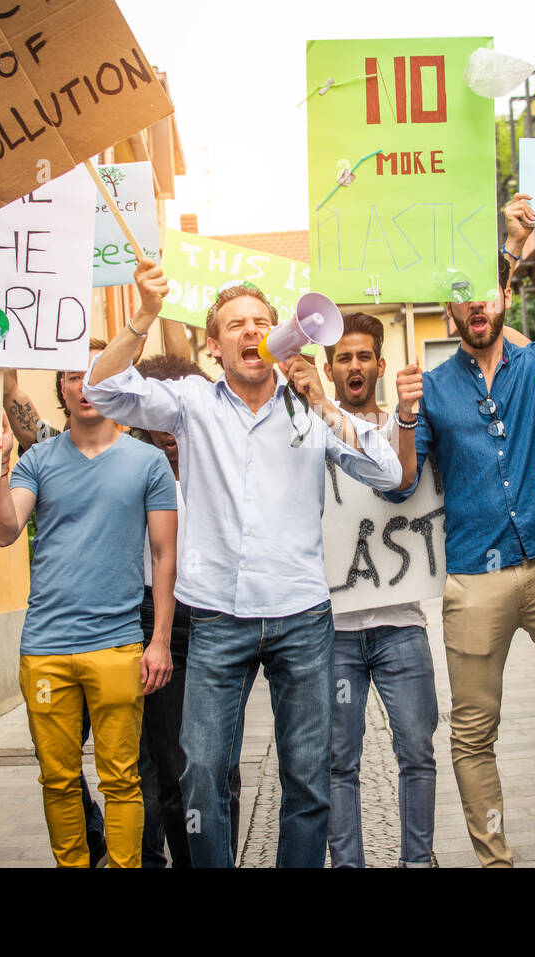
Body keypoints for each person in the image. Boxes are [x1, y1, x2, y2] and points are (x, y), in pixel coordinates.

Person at [83, 260, 402, 868]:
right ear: (214, 345)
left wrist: (326, 403)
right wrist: (143, 316)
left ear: (283, 336)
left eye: (262, 322)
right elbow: (101, 390)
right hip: (217, 619)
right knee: (201, 772)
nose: (251, 332)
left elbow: (387, 474)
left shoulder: (308, 407)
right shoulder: (191, 403)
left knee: (308, 778)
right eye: (235, 325)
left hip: (301, 616)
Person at [389, 196, 535, 868]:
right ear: (451, 310)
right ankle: (495, 860)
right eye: (461, 296)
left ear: (506, 292)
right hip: (473, 576)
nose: (476, 305)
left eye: (486, 289)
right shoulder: (429, 388)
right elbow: (403, 482)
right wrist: (405, 418)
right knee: (472, 732)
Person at [0, 339, 176, 869]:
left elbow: (163, 557)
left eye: (96, 373)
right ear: (62, 390)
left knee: (122, 778)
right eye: (72, 375)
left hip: (117, 645)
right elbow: (2, 531)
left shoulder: (149, 461)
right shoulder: (37, 460)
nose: (85, 384)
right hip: (44, 647)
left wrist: (159, 640)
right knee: (58, 778)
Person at [321, 311, 439, 868]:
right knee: (339, 761)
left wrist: (409, 415)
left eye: (364, 355)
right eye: (343, 356)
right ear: (329, 368)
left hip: (401, 624)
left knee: (417, 752)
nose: (354, 365)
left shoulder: (404, 428)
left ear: (380, 365)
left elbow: (405, 481)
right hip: (334, 631)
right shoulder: (311, 432)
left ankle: (416, 862)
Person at [131, 353, 242, 868]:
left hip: (221, 623)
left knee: (220, 768)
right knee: (173, 769)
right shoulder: (138, 469)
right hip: (162, 627)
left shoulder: (228, 459)